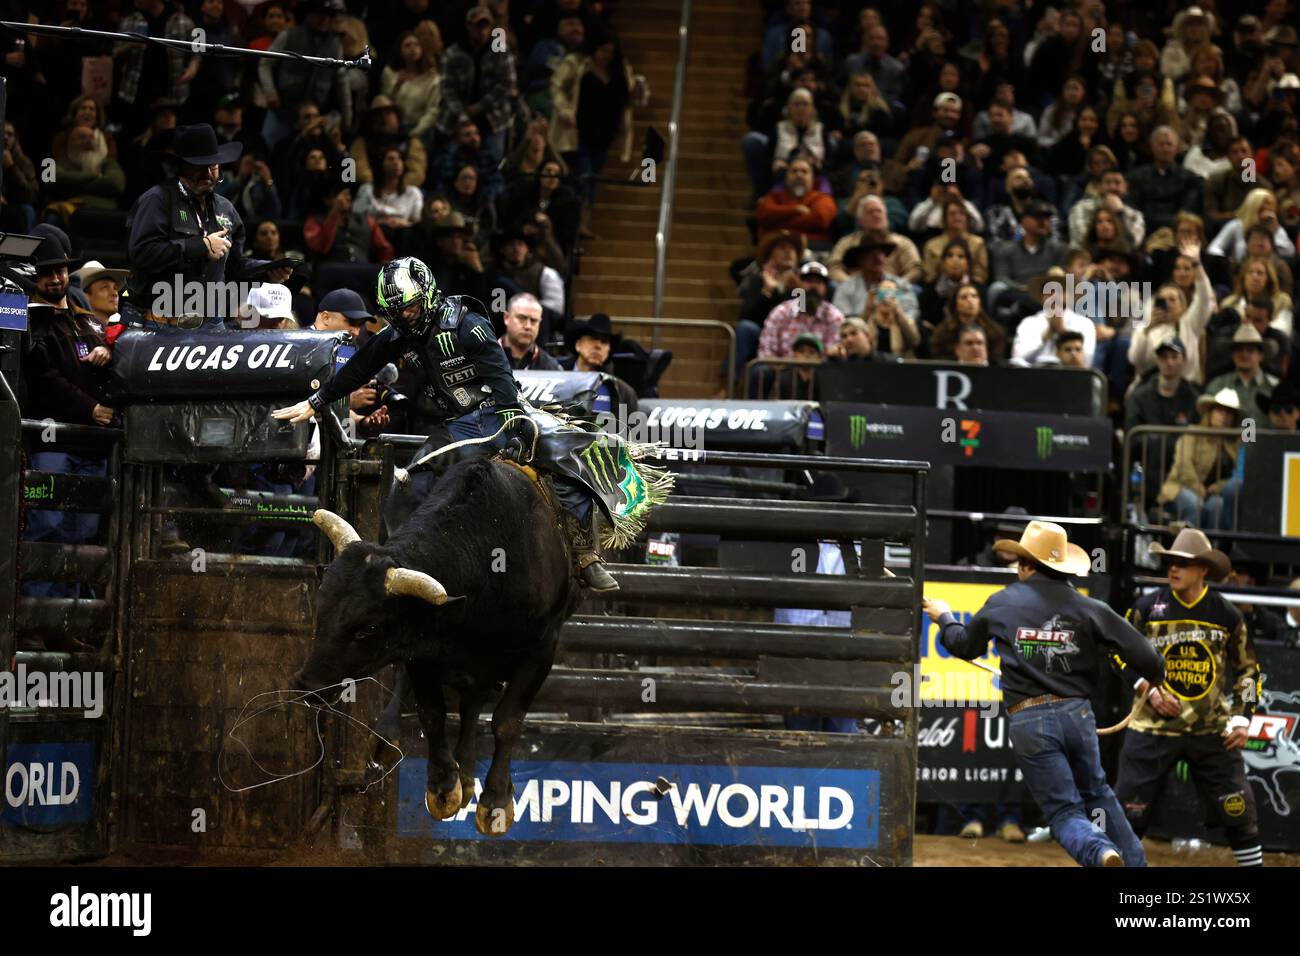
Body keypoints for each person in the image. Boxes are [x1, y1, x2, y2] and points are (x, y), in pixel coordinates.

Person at [274, 257, 616, 592]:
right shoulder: (400, 333)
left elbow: (500, 374)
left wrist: (514, 418)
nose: (404, 318)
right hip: (456, 425)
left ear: (428, 296)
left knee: (562, 449)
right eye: (395, 313)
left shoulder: (467, 324)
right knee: (409, 483)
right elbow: (361, 366)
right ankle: (401, 562)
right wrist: (316, 401)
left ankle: (587, 553)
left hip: (498, 409)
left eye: (409, 308)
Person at [923, 521, 1165, 867]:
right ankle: (1132, 861)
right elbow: (1147, 656)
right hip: (1077, 715)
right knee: (1098, 794)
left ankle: (1101, 852)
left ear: (1025, 565)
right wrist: (1156, 675)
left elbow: (963, 645)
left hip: (1030, 717)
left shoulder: (1002, 601)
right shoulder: (1088, 607)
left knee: (1065, 810)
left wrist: (944, 617)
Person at [1115, 529, 1263, 867]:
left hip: (1210, 730)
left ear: (1203, 570)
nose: (1173, 569)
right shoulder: (1146, 608)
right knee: (1127, 814)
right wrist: (1147, 689)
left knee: (1239, 812)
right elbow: (1116, 654)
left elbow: (1250, 671)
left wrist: (1242, 718)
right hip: (1151, 728)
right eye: (1170, 562)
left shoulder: (1226, 615)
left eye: (1182, 563)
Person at [121, 124, 293, 329]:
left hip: (212, 321)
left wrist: (266, 271)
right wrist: (200, 246)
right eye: (198, 166)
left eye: (213, 166)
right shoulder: (158, 200)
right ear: (181, 166)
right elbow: (141, 253)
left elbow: (234, 266)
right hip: (162, 322)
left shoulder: (226, 208)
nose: (207, 173)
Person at [1157, 388, 1243, 528]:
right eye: (1220, 411)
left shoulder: (1234, 445)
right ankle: (1187, 548)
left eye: (1229, 413)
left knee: (1218, 506)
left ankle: (1212, 549)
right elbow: (1184, 466)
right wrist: (1200, 489)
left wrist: (1220, 486)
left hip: (1213, 495)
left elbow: (1237, 474)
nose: (1224, 416)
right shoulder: (1192, 433)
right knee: (1194, 504)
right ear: (1210, 413)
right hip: (1181, 487)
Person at [1204, 325, 1279, 420]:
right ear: (1232, 354)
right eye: (1239, 349)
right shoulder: (1217, 385)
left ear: (1260, 355)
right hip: (1227, 435)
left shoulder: (1274, 388)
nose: (1244, 354)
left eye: (1250, 350)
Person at [500, 293, 561, 371]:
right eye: (522, 318)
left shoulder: (551, 367)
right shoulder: (483, 358)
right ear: (506, 318)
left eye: (534, 320)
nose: (528, 326)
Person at [71, 261, 128, 327]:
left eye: (115, 288)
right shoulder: (79, 333)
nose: (114, 293)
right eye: (105, 287)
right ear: (85, 296)